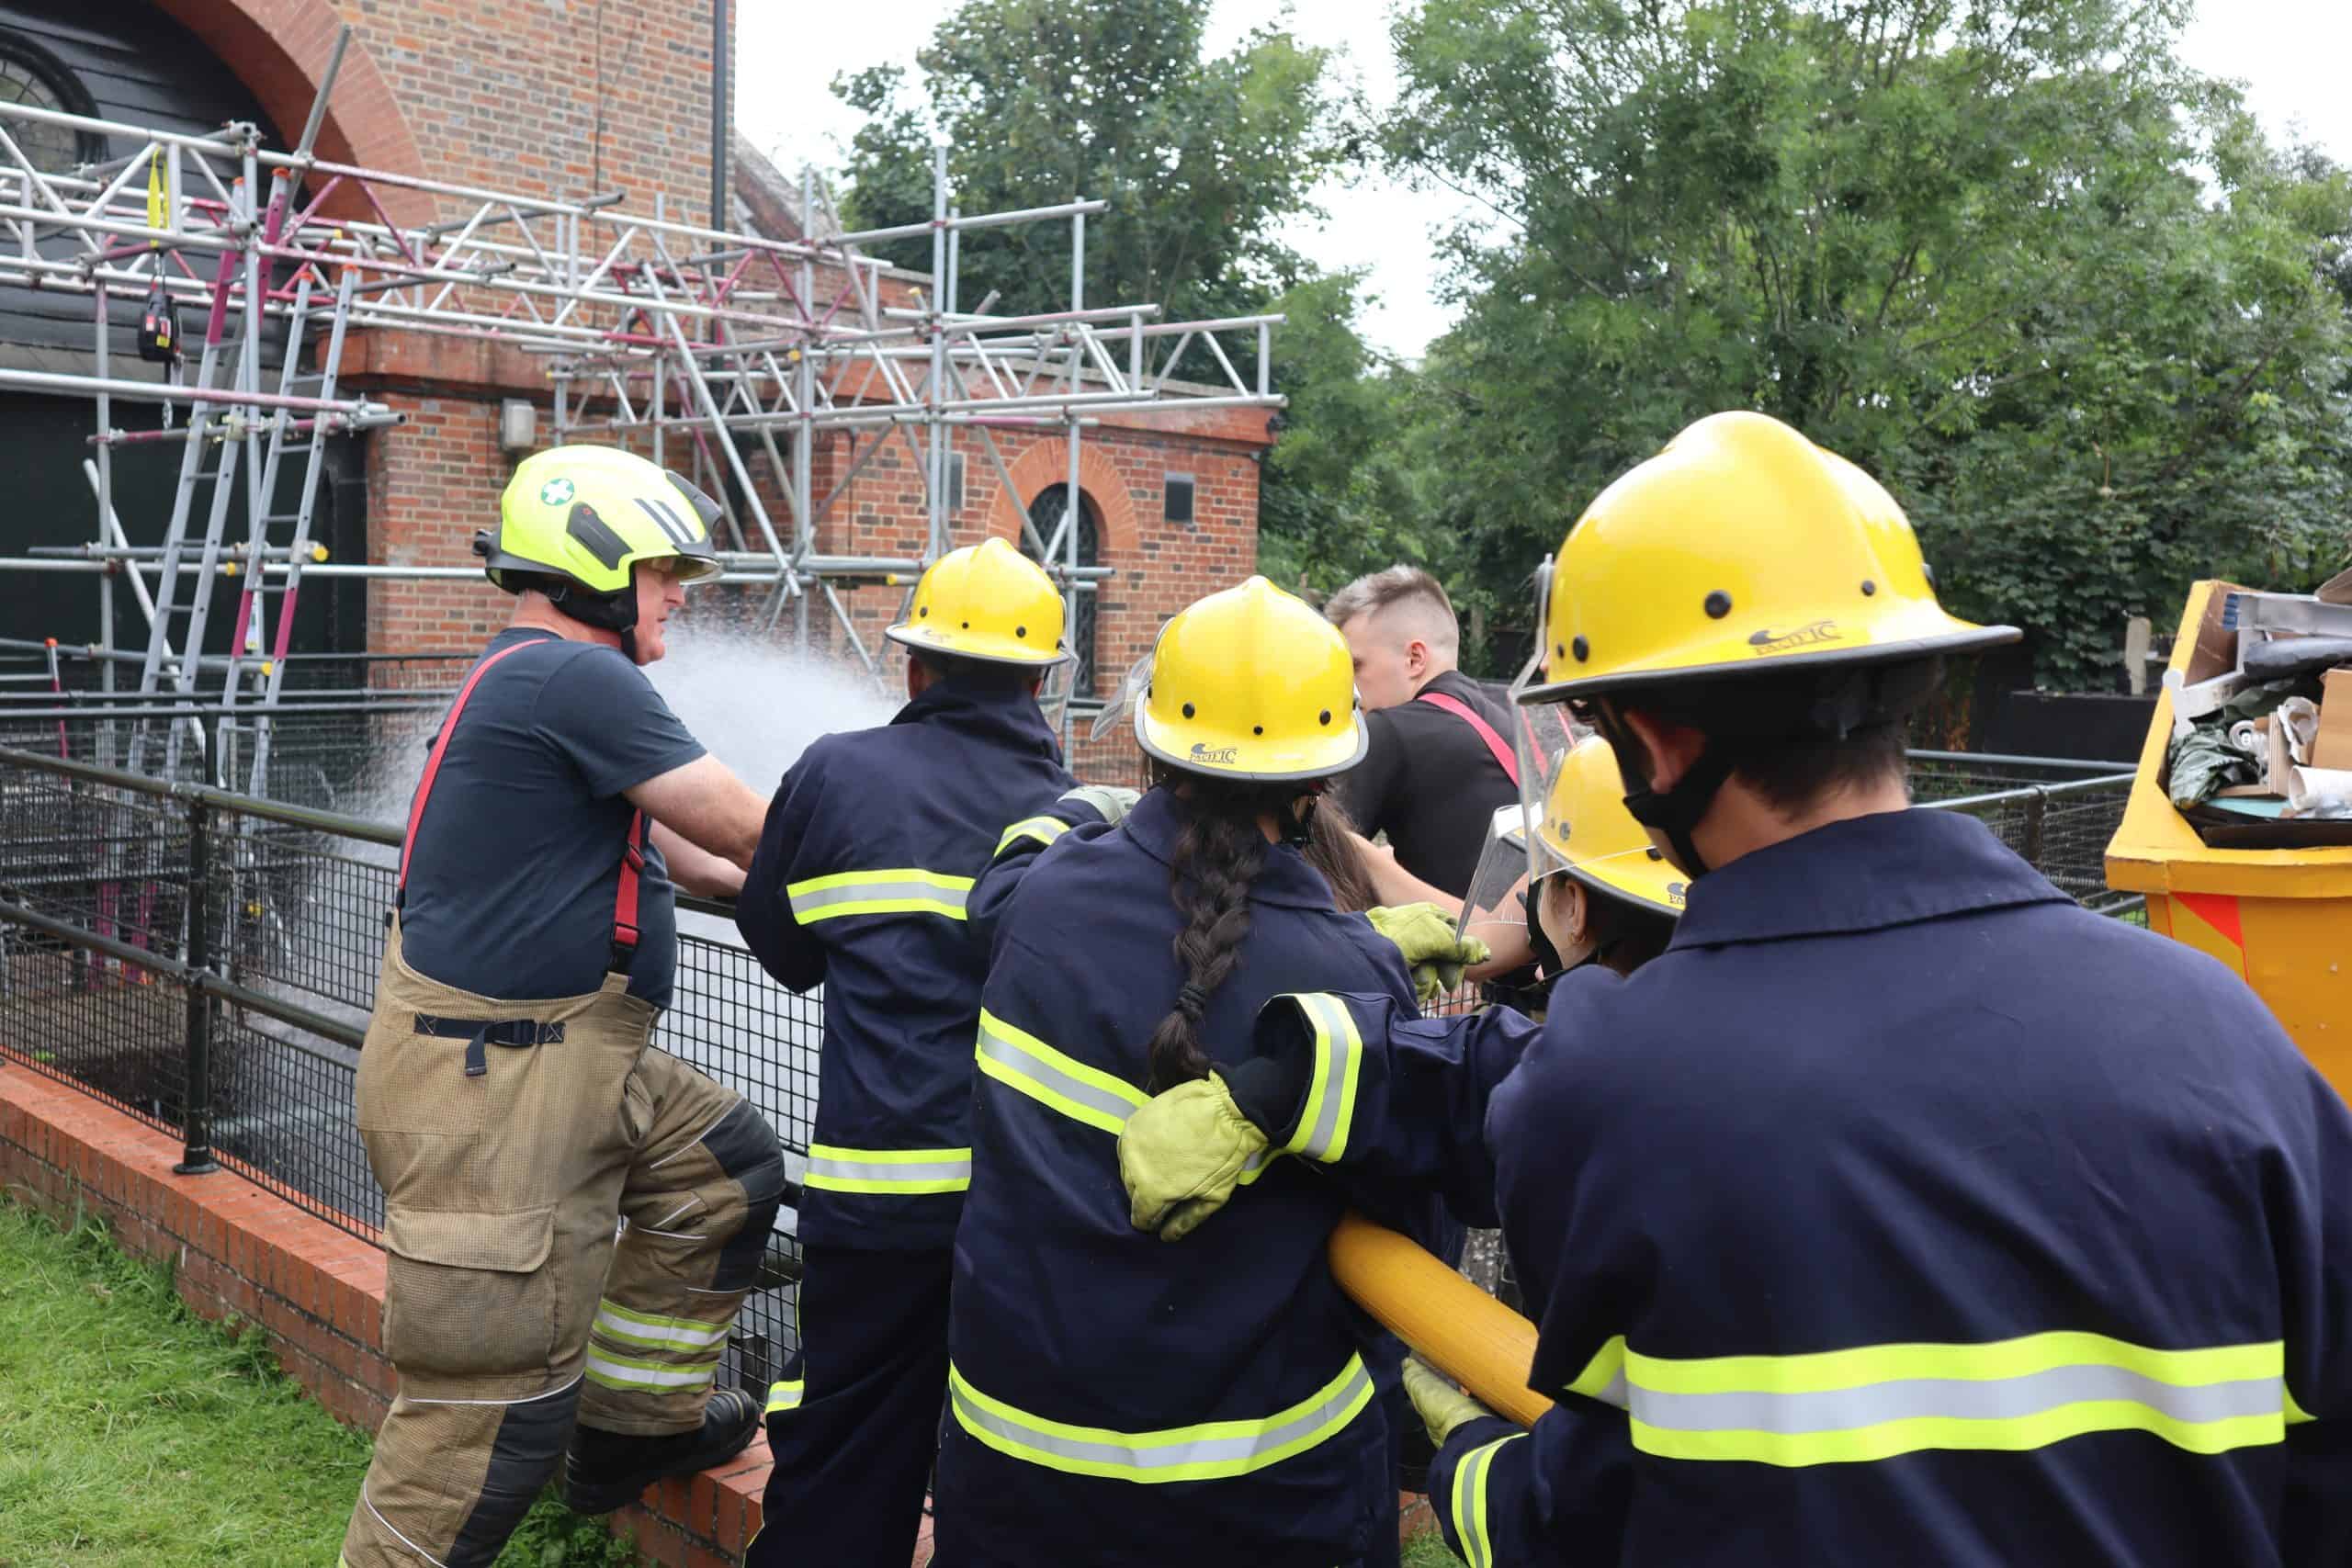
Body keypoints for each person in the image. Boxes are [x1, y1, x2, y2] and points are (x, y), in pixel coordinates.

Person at [1190, 411, 2352, 1566]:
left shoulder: (1615, 1094)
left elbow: (1611, 1512)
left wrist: (1476, 1475)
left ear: (1654, 744)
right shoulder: (2225, 1037)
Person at [930, 576, 1497, 1568]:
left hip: (1015, 1470)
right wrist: (1369, 967)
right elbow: (1419, 1226)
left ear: (1153, 748)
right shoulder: (1344, 974)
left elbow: (1011, 882)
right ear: (1321, 779)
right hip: (1263, 1498)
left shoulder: (1044, 902)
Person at [343, 446, 786, 1568]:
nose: (678, 594)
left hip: (544, 1063)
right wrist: (909, 849)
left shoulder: (534, 681)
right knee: (485, 1416)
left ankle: (635, 1425)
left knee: (720, 1169)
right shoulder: (577, 679)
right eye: (662, 570)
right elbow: (744, 824)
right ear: (595, 565)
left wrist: (801, 895)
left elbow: (702, 855)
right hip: (497, 1092)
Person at [734, 537, 1117, 1568]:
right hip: (1022, 1212)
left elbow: (783, 951)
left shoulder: (835, 773)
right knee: (1005, 1473)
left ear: (913, 667)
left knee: (843, 1457)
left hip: (873, 1205)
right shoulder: (1078, 820)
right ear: (1041, 683)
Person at [1323, 566, 1520, 902]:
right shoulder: (1506, 715)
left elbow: (1314, 860)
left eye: (1356, 666)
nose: (1347, 687)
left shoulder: (1391, 730)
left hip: (1462, 936)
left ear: (1415, 659)